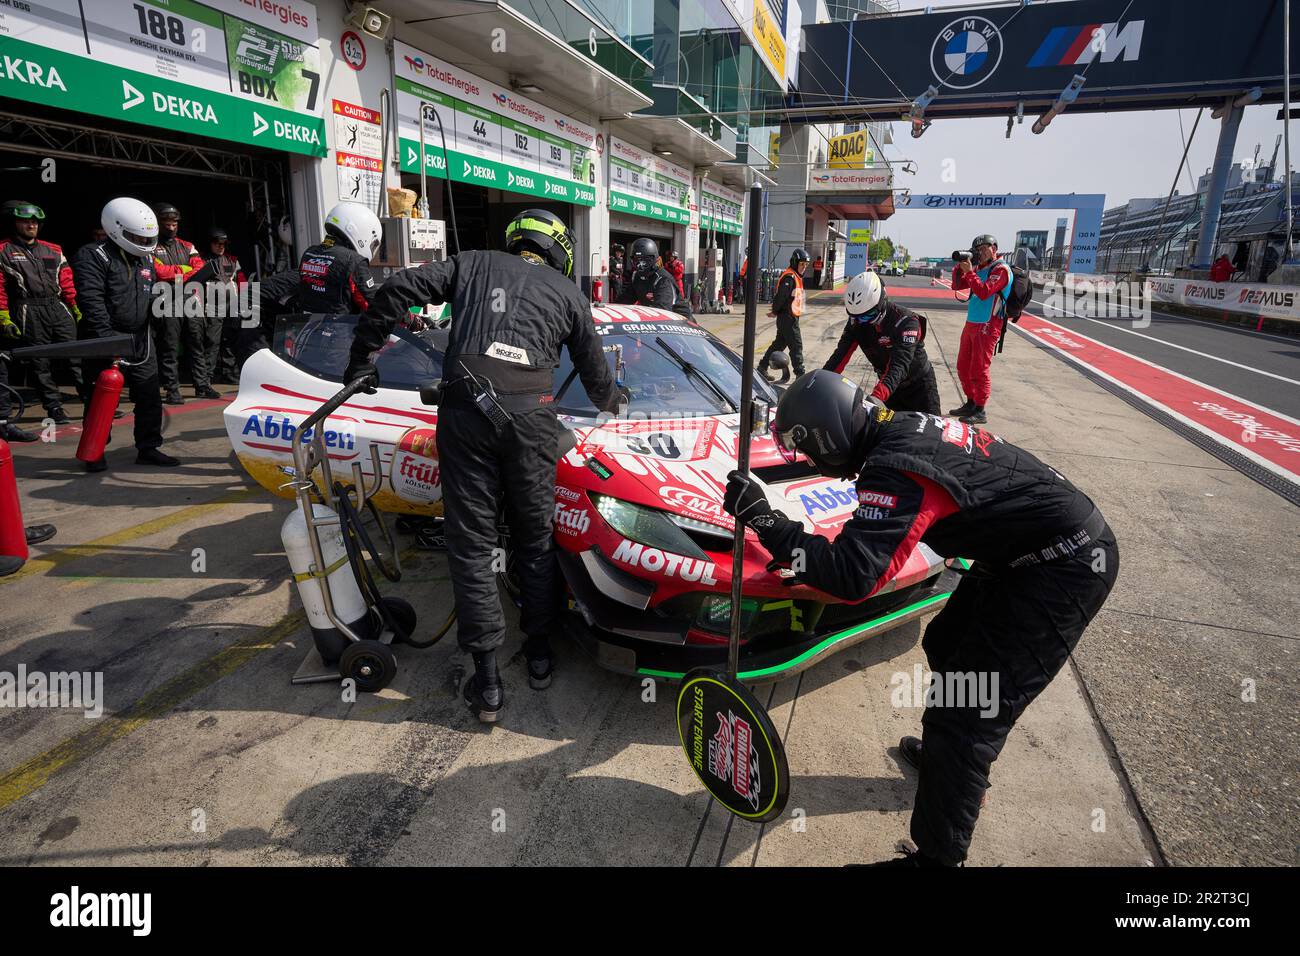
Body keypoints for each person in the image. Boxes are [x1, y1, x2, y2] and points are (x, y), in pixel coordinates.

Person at [723, 370, 1118, 867]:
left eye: (809, 451)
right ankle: (948, 773)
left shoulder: (897, 464)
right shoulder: (897, 428)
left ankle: (938, 856)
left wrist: (768, 523)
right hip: (1027, 552)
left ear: (827, 438)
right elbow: (865, 540)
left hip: (1065, 566)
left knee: (968, 716)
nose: (810, 463)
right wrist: (803, 549)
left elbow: (853, 578)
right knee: (947, 643)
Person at [344, 208, 619, 723]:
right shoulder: (570, 295)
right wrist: (615, 403)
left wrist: (362, 361)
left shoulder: (470, 263)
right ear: (560, 250)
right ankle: (539, 655)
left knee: (472, 548)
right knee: (535, 541)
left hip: (466, 416)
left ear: (515, 241)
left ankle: (488, 682)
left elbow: (397, 288)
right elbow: (599, 380)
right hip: (533, 424)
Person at [74, 198, 179, 472]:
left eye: (146, 237)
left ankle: (148, 447)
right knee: (101, 397)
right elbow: (91, 301)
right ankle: (94, 450)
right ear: (115, 228)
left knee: (149, 396)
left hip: (141, 339)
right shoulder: (93, 256)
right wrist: (109, 339)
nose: (142, 242)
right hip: (104, 339)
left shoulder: (146, 258)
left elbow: (152, 294)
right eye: (135, 237)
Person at [0, 201, 82, 425]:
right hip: (27, 309)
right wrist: (4, 317)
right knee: (40, 362)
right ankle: (54, 407)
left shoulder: (53, 249)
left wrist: (74, 305)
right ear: (14, 223)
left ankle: (91, 399)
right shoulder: (3, 250)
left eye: (35, 221)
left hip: (57, 307)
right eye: (26, 221)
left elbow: (66, 279)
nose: (31, 225)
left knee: (76, 355)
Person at [826, 270, 940, 414]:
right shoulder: (856, 322)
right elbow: (839, 356)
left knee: (933, 433)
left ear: (882, 303)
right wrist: (819, 380)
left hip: (920, 387)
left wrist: (876, 398)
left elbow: (899, 366)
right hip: (889, 388)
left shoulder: (907, 321)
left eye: (868, 315)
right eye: (857, 317)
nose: (862, 321)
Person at [949, 234, 1011, 425]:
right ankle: (970, 402)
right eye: (978, 249)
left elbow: (984, 292)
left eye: (985, 248)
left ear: (995, 248)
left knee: (979, 368)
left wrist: (969, 273)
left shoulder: (1001, 270)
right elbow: (956, 286)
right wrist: (960, 269)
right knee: (962, 366)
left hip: (989, 324)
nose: (981, 252)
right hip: (972, 322)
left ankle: (980, 409)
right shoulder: (977, 269)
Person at [150, 203, 205, 405]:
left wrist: (174, 272)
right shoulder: (150, 247)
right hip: (166, 300)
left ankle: (202, 386)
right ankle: (172, 390)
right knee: (170, 347)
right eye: (167, 223)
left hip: (190, 300)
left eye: (174, 223)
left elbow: (200, 270)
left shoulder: (188, 246)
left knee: (196, 343)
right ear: (159, 223)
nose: (171, 227)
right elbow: (158, 273)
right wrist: (184, 270)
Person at [297, 202, 381, 315]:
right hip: (339, 329)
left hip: (308, 327)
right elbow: (372, 303)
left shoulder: (309, 253)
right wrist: (409, 320)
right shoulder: (354, 261)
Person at [197, 227, 247, 385]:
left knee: (230, 340)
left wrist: (245, 301)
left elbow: (242, 281)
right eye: (217, 243)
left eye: (223, 243)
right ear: (210, 243)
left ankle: (229, 373)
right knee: (212, 341)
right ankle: (207, 377)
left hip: (232, 305)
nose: (221, 246)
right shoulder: (201, 260)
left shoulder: (232, 259)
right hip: (211, 306)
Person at [758, 248, 809, 378]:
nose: (804, 267)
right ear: (794, 262)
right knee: (796, 345)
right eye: (802, 264)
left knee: (779, 344)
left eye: (806, 265)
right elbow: (781, 296)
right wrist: (775, 311)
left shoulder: (795, 276)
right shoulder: (790, 277)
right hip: (788, 318)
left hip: (790, 317)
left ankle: (762, 367)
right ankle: (800, 375)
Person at [619, 237, 678, 310]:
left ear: (654, 259)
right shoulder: (636, 277)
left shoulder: (662, 279)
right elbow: (624, 301)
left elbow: (662, 310)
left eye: (645, 260)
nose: (640, 264)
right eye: (637, 259)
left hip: (679, 318)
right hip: (654, 316)